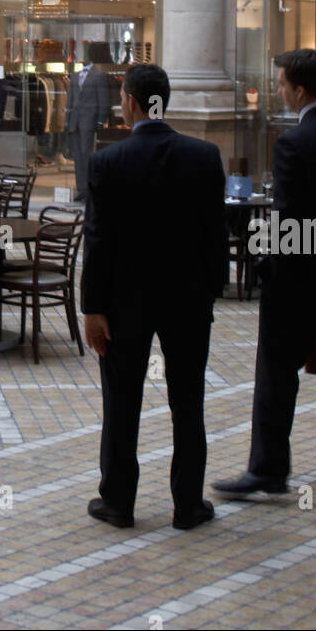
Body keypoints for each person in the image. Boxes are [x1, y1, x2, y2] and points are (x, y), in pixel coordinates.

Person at [213, 49, 316, 503]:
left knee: (276, 375)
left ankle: (268, 470)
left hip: (301, 285)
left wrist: (268, 270)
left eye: (282, 84)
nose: (279, 91)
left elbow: (287, 222)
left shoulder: (294, 143)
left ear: (300, 90)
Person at [82, 64, 228, 530]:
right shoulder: (204, 156)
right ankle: (188, 506)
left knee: (121, 404)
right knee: (188, 403)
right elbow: (215, 235)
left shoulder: (108, 161)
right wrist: (211, 290)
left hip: (124, 304)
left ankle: (118, 502)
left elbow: (98, 240)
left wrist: (93, 308)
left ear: (128, 101)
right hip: (187, 301)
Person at [65, 58, 110, 201]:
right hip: (75, 121)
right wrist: (68, 118)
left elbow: (103, 99)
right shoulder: (74, 76)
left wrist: (101, 120)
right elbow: (70, 99)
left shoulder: (98, 76)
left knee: (88, 155)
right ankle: (81, 189)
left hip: (89, 121)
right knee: (78, 157)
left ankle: (90, 190)